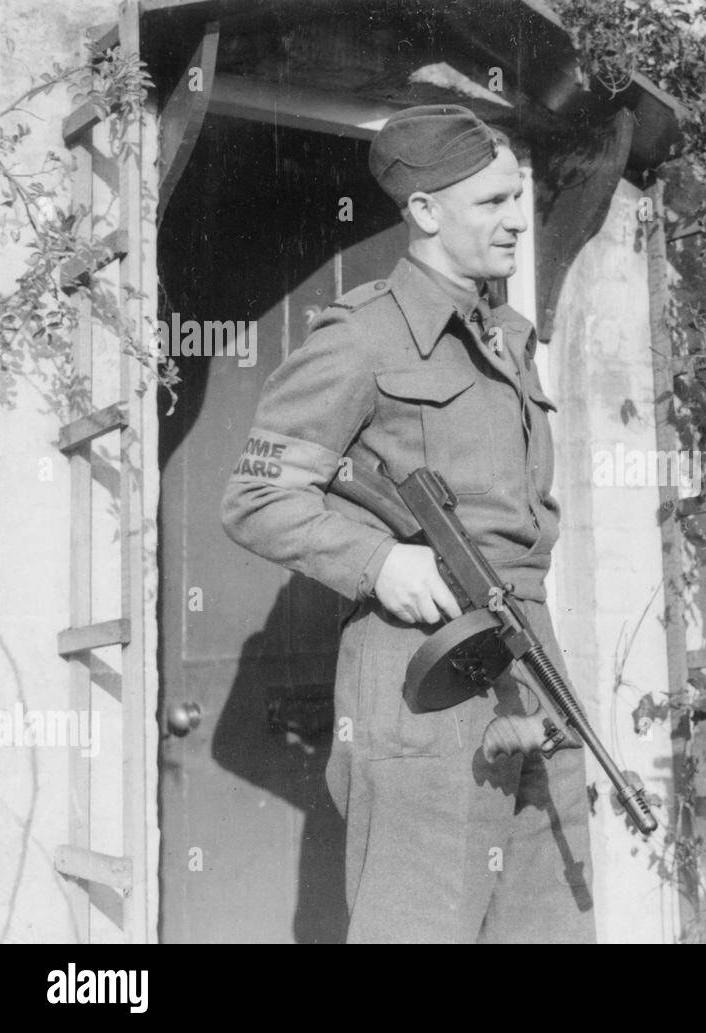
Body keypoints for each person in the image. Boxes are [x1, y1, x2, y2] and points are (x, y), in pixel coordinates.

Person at [222, 105, 595, 943]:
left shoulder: (504, 339)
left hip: (534, 659)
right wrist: (380, 562)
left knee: (549, 919)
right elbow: (255, 495)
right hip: (423, 674)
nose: (515, 218)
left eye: (517, 198)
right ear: (424, 211)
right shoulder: (361, 338)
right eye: (490, 202)